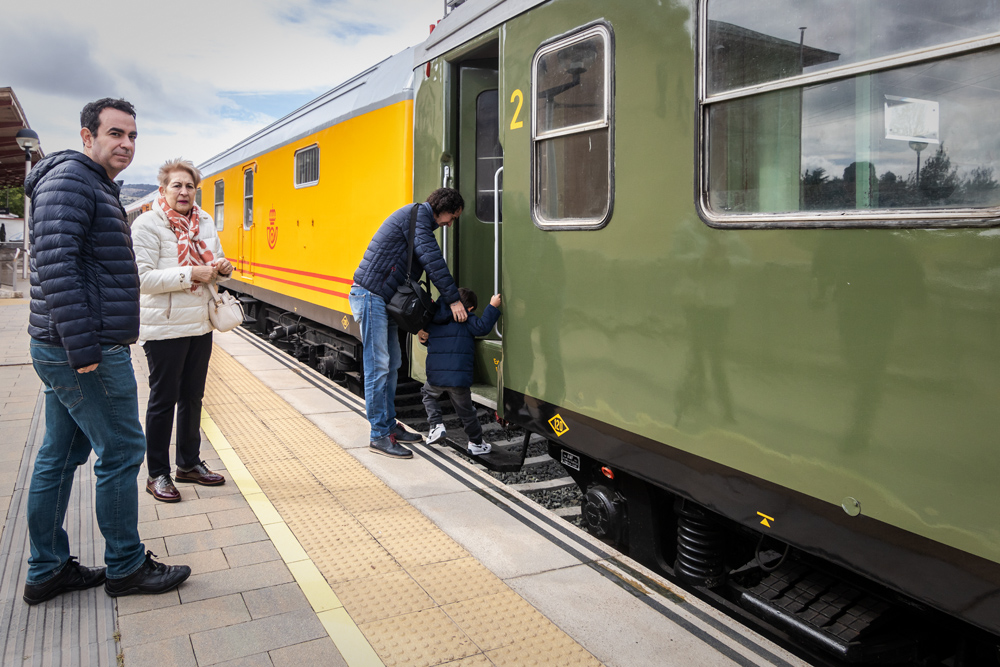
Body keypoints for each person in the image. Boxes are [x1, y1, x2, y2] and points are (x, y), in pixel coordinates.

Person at [22, 97, 190, 604]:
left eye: (132, 135)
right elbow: (57, 266)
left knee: (61, 454)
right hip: (84, 346)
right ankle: (126, 566)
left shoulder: (89, 182)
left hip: (70, 343)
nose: (126, 143)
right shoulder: (73, 181)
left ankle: (47, 569)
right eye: (115, 133)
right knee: (122, 451)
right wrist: (83, 349)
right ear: (87, 136)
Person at [131, 159, 232, 502]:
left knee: (193, 396)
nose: (184, 191)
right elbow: (143, 279)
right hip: (164, 326)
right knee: (163, 400)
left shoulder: (204, 221)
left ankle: (188, 464)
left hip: (200, 323)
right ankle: (157, 473)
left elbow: (214, 263)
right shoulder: (147, 224)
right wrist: (191, 273)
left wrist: (222, 268)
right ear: (163, 190)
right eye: (177, 185)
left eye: (190, 186)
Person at [350, 188, 467, 459]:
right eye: (452, 216)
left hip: (384, 298)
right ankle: (379, 435)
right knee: (379, 366)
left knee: (392, 364)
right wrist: (453, 300)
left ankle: (389, 424)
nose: (451, 223)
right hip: (371, 296)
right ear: (443, 209)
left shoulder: (418, 218)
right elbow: (433, 262)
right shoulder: (417, 219)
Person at [419, 288, 501, 455]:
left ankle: (436, 425)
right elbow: (482, 327)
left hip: (436, 376)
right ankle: (476, 443)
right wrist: (492, 306)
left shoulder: (434, 320)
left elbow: (428, 342)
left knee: (428, 395)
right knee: (466, 412)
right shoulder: (467, 319)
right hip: (458, 379)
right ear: (469, 308)